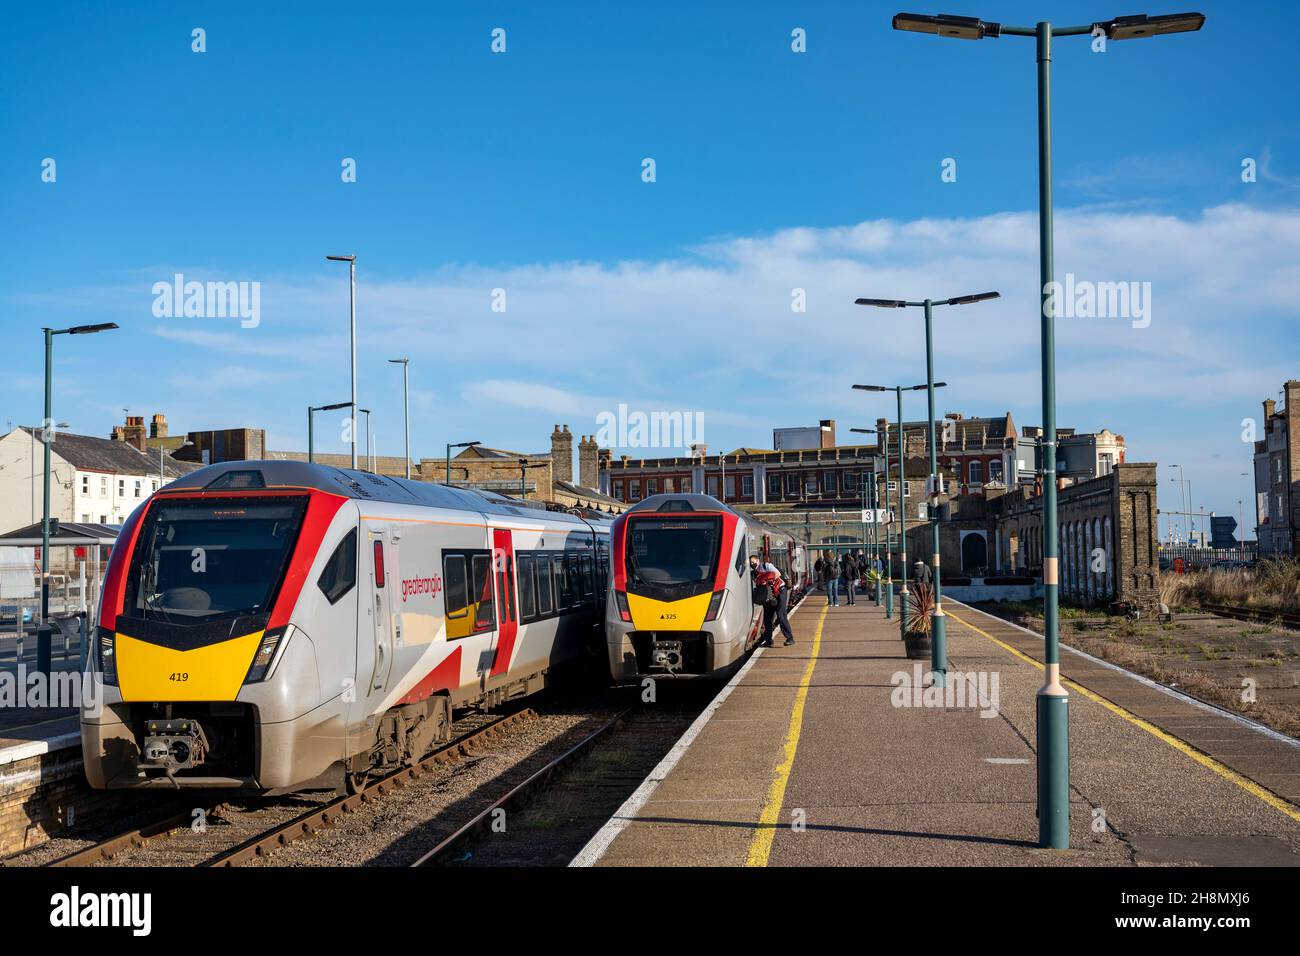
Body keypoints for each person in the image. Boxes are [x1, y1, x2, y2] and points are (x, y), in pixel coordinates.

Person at [750, 553, 795, 646]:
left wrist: (765, 580)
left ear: (758, 560)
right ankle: (768, 641)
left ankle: (790, 638)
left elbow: (777, 574)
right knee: (767, 618)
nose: (752, 564)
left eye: (753, 562)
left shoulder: (766, 566)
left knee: (780, 614)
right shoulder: (753, 574)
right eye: (750, 563)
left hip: (780, 591)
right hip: (768, 595)